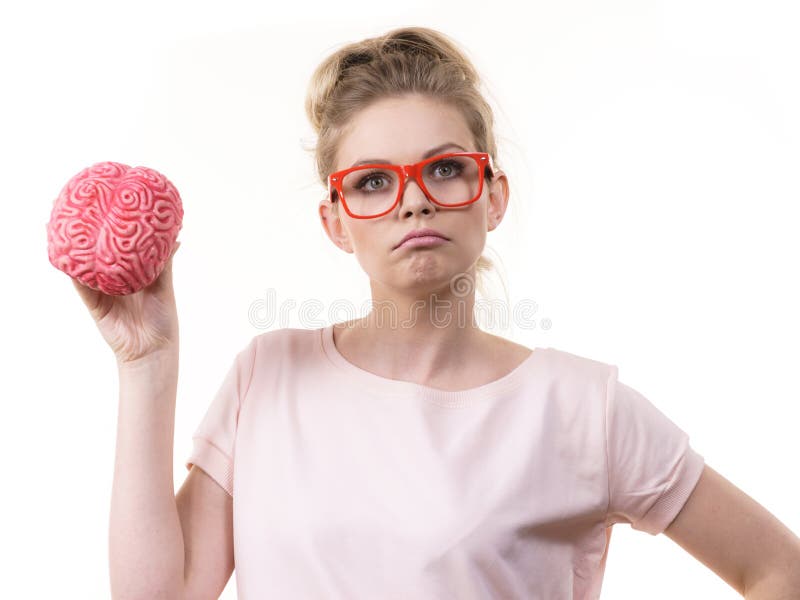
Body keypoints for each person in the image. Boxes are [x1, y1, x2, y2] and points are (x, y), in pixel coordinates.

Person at [76, 26, 800, 600]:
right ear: (335, 222)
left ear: (493, 196)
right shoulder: (266, 376)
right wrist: (146, 364)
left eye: (446, 169)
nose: (415, 200)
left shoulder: (583, 408)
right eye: (372, 181)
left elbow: (778, 570)